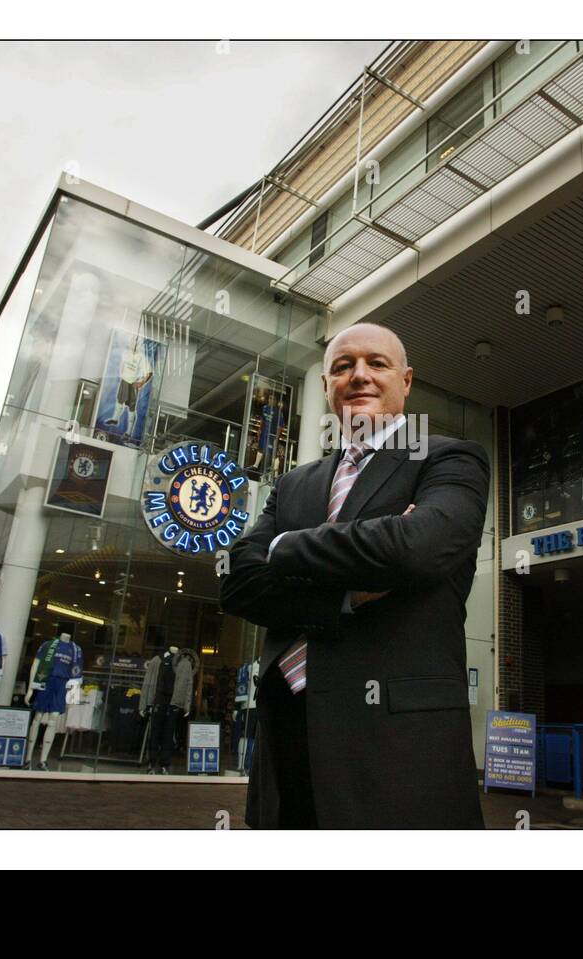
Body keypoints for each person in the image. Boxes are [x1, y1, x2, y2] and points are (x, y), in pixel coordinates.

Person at [220, 322, 489, 829]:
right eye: (342, 367)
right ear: (325, 387)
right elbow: (237, 581)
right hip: (289, 742)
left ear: (406, 381)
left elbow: (416, 549)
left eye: (376, 363)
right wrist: (341, 598)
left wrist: (281, 548)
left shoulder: (449, 458)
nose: (358, 375)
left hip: (397, 751)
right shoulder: (293, 485)